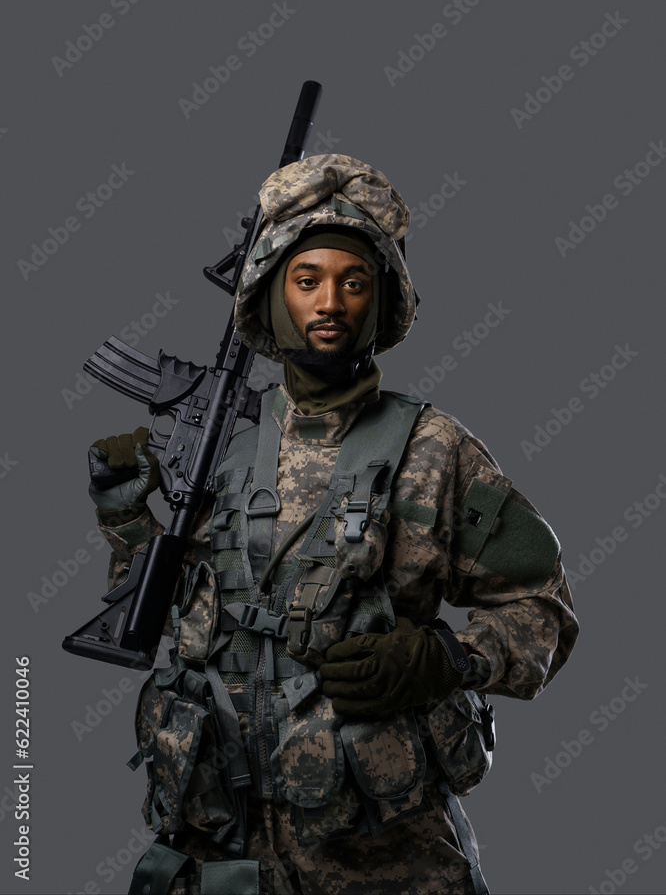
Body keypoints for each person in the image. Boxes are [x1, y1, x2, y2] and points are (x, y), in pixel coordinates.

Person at [89, 155, 579, 895]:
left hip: (380, 858)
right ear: (271, 297)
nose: (330, 302)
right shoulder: (228, 444)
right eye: (306, 279)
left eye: (354, 283)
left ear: (381, 303)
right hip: (220, 846)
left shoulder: (433, 449)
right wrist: (128, 520)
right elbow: (171, 619)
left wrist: (442, 657)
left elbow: (543, 611)